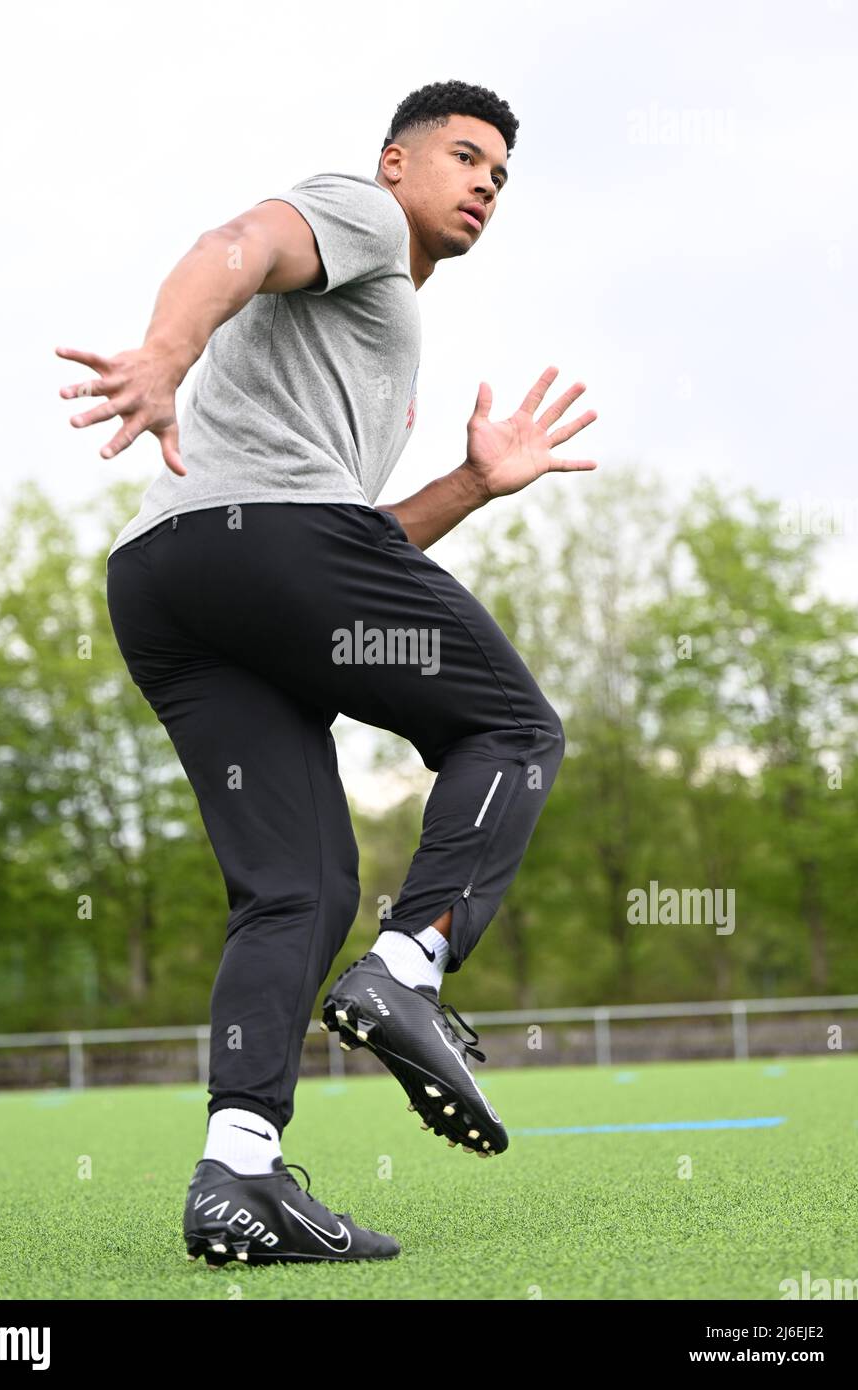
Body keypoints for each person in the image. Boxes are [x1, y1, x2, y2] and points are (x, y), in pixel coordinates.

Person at [57, 79, 597, 1268]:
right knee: (509, 730)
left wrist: (472, 484)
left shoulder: (379, 360)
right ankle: (409, 972)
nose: (486, 186)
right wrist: (161, 355)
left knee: (298, 887)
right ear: (396, 165)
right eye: (466, 157)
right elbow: (235, 244)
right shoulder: (360, 220)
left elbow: (351, 566)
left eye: (502, 176)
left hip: (179, 586)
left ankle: (238, 1172)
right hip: (268, 551)